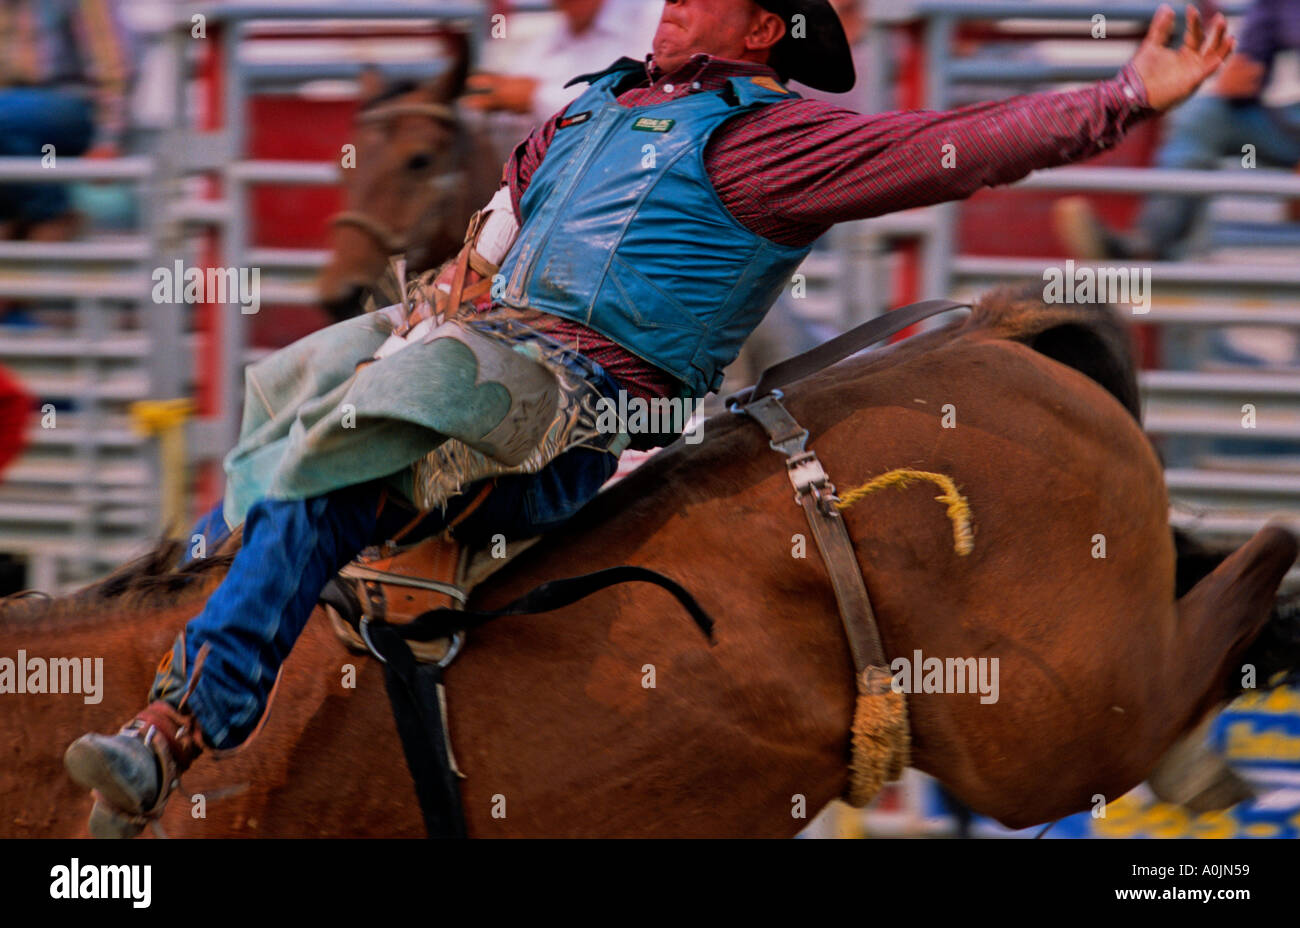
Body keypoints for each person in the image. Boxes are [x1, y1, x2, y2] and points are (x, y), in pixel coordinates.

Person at [64, 0, 1233, 838]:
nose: (669, 3)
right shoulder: (592, 108)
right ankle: (222, 594)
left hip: (580, 402)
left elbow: (954, 148)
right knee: (293, 386)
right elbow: (501, 222)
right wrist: (446, 293)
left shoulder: (772, 141)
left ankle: (180, 722)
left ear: (766, 26)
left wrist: (1125, 96)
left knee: (367, 430)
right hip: (475, 345)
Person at [1054, 0, 1299, 261]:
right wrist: (1236, 74)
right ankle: (1149, 245)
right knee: (1203, 116)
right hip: (1289, 123)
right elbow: (1252, 62)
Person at [0, 0, 135, 241]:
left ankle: (50, 213)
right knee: (11, 118)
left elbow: (113, 68)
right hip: (17, 117)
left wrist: (108, 140)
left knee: (8, 115)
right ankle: (21, 215)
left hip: (73, 107)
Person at [465, 0, 664, 125]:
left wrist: (532, 98)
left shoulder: (652, 17)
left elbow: (639, 101)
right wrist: (496, 94)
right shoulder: (556, 33)